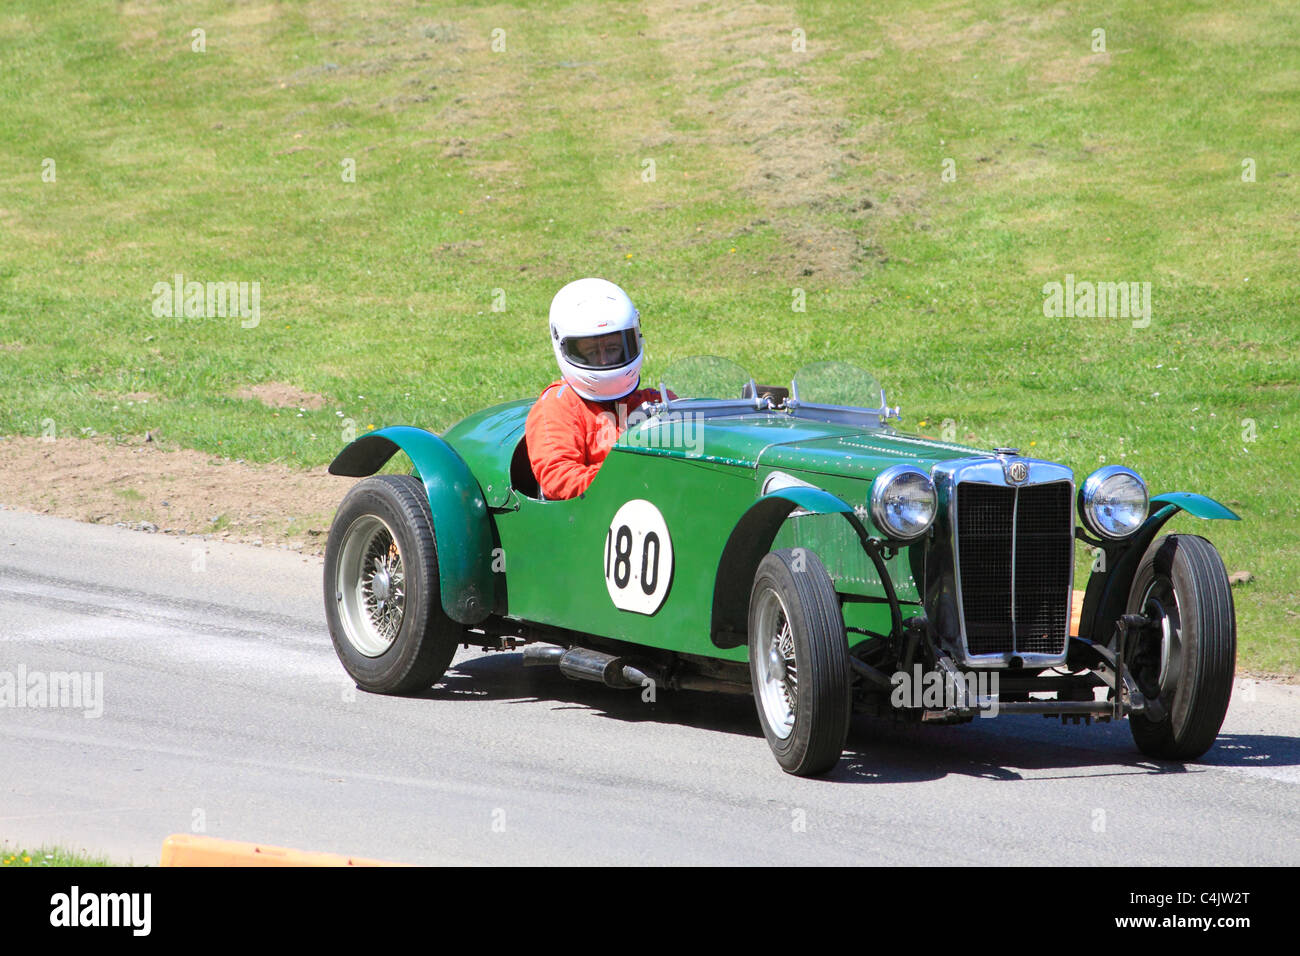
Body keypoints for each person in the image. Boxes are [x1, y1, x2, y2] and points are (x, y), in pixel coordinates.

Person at [524, 278, 662, 500]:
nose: (605, 360)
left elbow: (700, 434)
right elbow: (557, 477)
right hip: (591, 517)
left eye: (613, 348)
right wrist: (632, 479)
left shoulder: (651, 401)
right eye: (591, 351)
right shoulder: (558, 405)